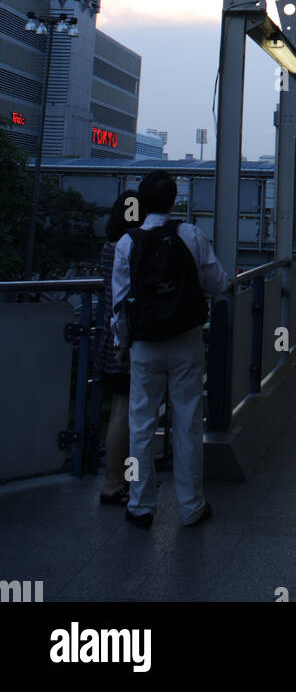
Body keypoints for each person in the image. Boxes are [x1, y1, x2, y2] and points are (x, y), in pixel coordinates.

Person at [112, 169, 230, 529]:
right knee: (188, 423)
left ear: (141, 202)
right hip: (186, 341)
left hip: (145, 346)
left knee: (142, 424)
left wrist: (121, 344)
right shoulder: (191, 235)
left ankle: (140, 504)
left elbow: (120, 304)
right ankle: (191, 506)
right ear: (174, 200)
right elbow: (218, 283)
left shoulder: (127, 243)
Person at [96, 192, 140, 505]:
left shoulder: (107, 248)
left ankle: (120, 480)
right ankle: (117, 483)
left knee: (119, 411)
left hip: (109, 340)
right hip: (127, 344)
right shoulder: (131, 249)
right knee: (127, 414)